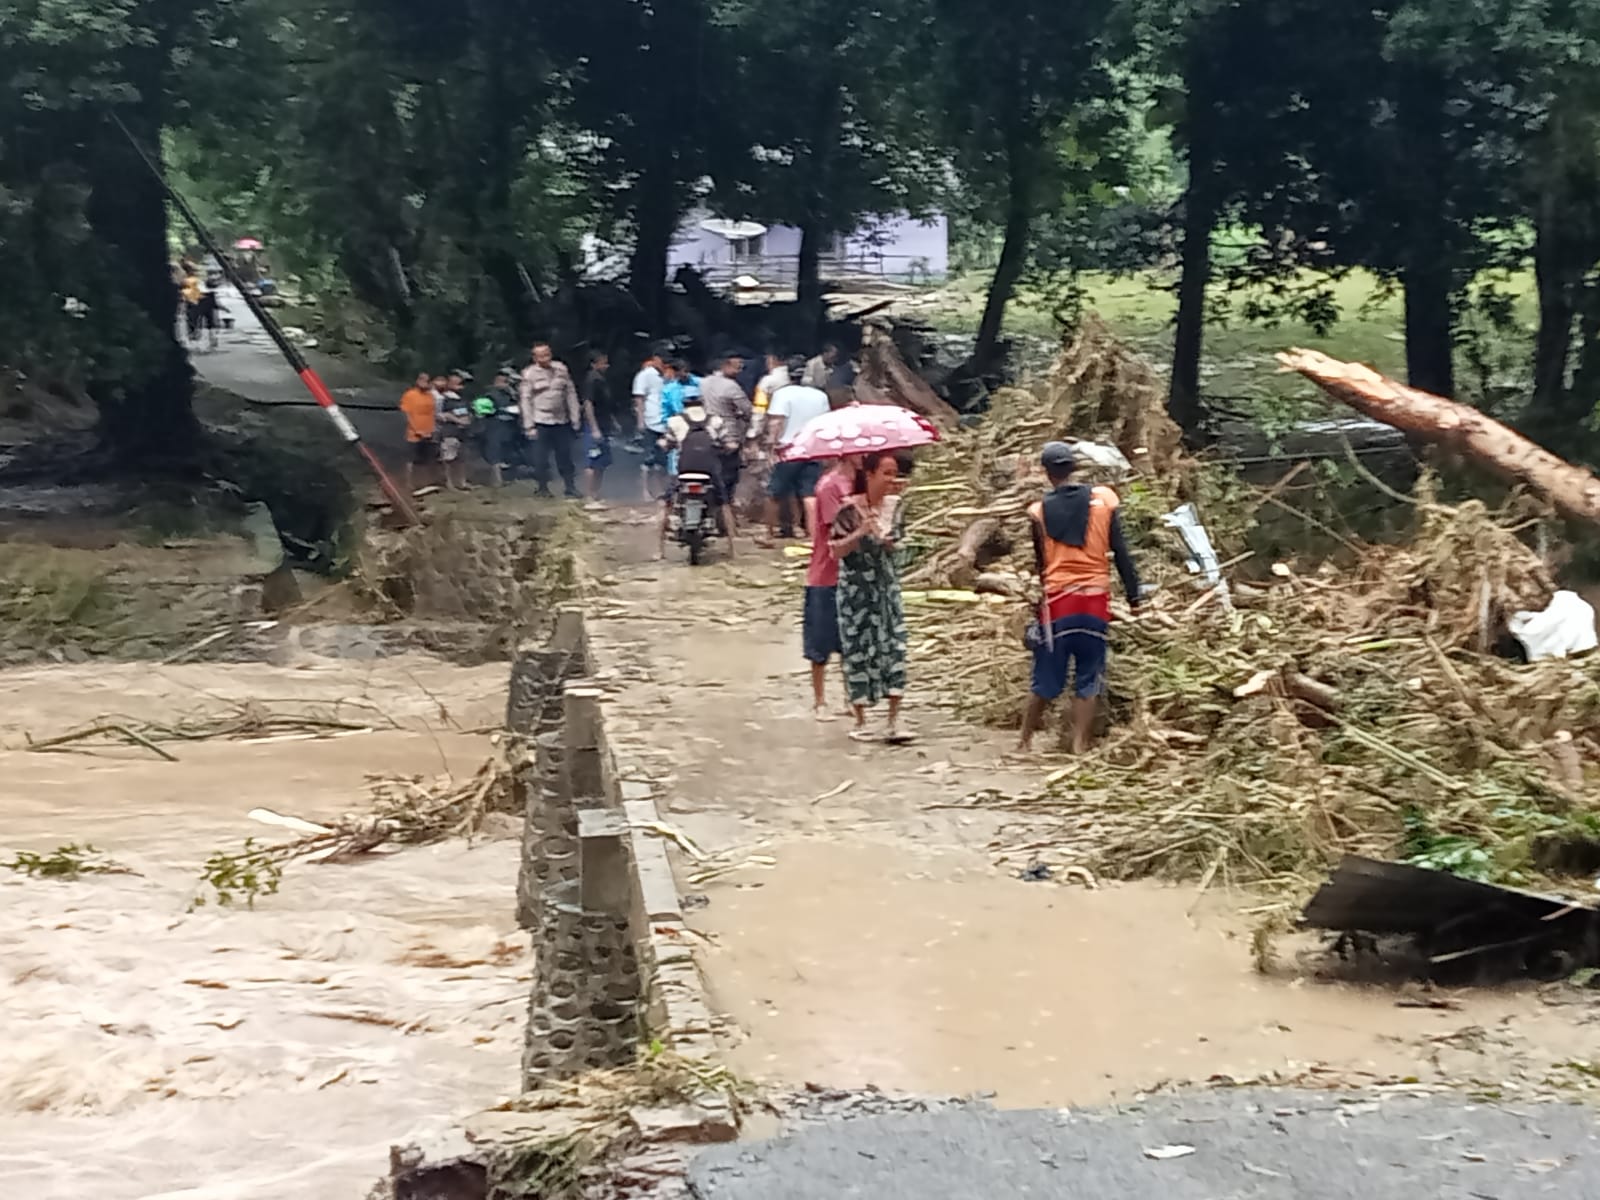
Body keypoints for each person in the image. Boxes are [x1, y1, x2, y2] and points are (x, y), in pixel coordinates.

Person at [1017, 442, 1144, 755]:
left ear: (1048, 473)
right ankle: (1078, 745)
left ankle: (1024, 743)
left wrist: (1040, 603)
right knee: (1089, 673)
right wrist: (1134, 596)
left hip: (1059, 603)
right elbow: (1122, 553)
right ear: (1074, 467)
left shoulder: (1039, 512)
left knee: (1046, 674)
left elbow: (1042, 565)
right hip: (1094, 602)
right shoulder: (1104, 502)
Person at [829, 452, 910, 742]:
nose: (891, 480)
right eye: (886, 473)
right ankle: (861, 720)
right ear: (870, 474)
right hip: (856, 593)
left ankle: (894, 719)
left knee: (894, 646)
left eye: (894, 473)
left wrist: (889, 544)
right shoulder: (849, 510)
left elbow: (902, 545)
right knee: (858, 650)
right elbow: (835, 550)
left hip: (886, 589)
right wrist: (861, 533)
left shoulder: (896, 507)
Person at [803, 454, 858, 720]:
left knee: (849, 640)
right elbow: (837, 530)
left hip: (851, 575)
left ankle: (850, 696)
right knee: (820, 643)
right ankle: (820, 701)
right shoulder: (829, 487)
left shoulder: (858, 484)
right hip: (825, 574)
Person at [760, 354, 831, 544]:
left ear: (788, 374)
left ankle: (768, 534)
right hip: (813, 450)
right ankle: (813, 535)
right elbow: (825, 423)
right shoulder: (820, 396)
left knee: (774, 492)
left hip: (789, 450)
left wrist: (770, 446)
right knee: (809, 494)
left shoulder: (782, 394)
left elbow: (776, 422)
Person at [658, 391, 736, 559]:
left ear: (683, 403)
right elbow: (728, 443)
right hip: (709, 471)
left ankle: (659, 550)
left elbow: (665, 443)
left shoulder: (675, 421)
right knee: (724, 503)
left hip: (684, 470)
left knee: (666, 502)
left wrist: (665, 444)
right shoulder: (715, 420)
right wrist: (728, 448)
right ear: (701, 402)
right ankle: (732, 548)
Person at [520, 342, 582, 498]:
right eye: (540, 356)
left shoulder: (561, 369)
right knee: (540, 458)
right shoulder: (529, 374)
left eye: (547, 354)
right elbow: (525, 400)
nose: (544, 358)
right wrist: (529, 425)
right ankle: (542, 488)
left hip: (560, 420)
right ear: (535, 357)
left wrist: (575, 417)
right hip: (540, 420)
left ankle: (570, 487)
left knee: (565, 456)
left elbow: (570, 394)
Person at [699, 351, 753, 497]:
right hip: (728, 435)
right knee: (729, 472)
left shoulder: (703, 383)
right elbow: (748, 410)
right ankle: (726, 501)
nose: (740, 370)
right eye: (738, 367)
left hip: (705, 432)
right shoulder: (731, 386)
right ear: (726, 365)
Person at [477, 369, 520, 488]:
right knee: (494, 452)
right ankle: (496, 480)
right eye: (503, 380)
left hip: (510, 426)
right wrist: (499, 410)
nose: (506, 383)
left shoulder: (511, 394)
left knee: (508, 452)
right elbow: (481, 410)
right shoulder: (489, 394)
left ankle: (509, 477)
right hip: (494, 425)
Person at [633, 350, 668, 499]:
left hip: (664, 422)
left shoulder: (665, 377)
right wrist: (640, 421)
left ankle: (660, 490)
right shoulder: (645, 375)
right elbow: (639, 399)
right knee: (647, 458)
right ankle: (645, 491)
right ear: (655, 359)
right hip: (650, 421)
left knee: (662, 459)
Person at [582, 351, 613, 509]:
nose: (606, 366)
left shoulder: (602, 380)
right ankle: (589, 495)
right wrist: (594, 428)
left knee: (602, 463)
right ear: (594, 364)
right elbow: (588, 404)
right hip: (594, 426)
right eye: (602, 363)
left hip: (605, 424)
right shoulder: (592, 380)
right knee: (592, 461)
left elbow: (606, 405)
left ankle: (596, 493)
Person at [400, 371, 438, 493]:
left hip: (428, 432)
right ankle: (408, 483)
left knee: (426, 459)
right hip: (414, 433)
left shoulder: (430, 396)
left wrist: (431, 430)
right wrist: (416, 430)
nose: (424, 382)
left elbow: (432, 414)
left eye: (427, 380)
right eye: (422, 379)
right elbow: (406, 414)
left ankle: (423, 483)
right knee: (410, 459)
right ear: (417, 381)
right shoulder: (409, 395)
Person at [437, 370, 473, 491]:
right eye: (458, 383)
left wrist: (468, 420)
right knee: (448, 459)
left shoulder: (462, 399)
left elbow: (467, 412)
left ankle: (462, 482)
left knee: (462, 458)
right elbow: (441, 414)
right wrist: (458, 421)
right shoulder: (443, 398)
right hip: (450, 431)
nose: (461, 386)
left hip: (463, 432)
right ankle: (449, 483)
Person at [181, 271, 204, 346]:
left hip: (190, 303)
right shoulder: (197, 282)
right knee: (196, 319)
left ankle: (192, 334)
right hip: (195, 303)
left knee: (190, 319)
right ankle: (196, 334)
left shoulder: (186, 283)